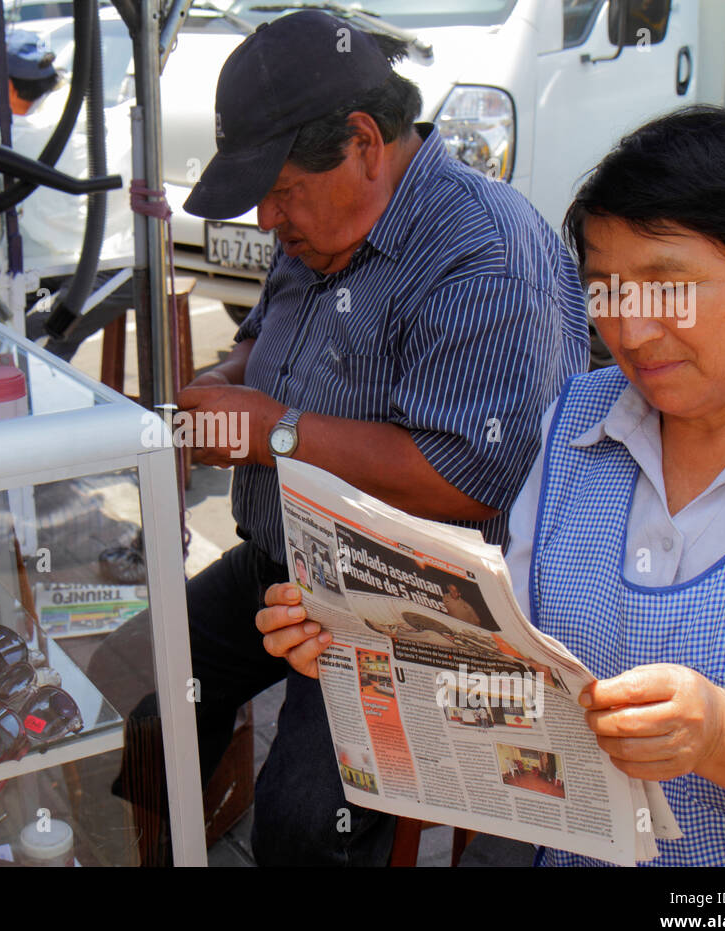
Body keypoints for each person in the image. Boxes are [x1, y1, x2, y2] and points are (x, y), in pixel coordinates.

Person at [258, 106, 725, 865]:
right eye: (605, 289)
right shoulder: (580, 420)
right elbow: (516, 685)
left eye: (668, 288)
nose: (630, 331)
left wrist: (724, 735)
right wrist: (362, 653)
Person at [105, 10, 588, 866]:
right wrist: (225, 383)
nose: (265, 216)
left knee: (302, 828)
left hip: (411, 597)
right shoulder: (322, 225)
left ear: (365, 142)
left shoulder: (484, 249)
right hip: (282, 559)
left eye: (281, 189)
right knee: (132, 692)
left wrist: (275, 435)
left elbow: (475, 477)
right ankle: (184, 824)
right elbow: (266, 335)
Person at [0, 29, 133, 361]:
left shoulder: (17, 135)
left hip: (104, 268)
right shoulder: (72, 113)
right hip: (96, 259)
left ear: (4, 86)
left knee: (24, 343)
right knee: (37, 333)